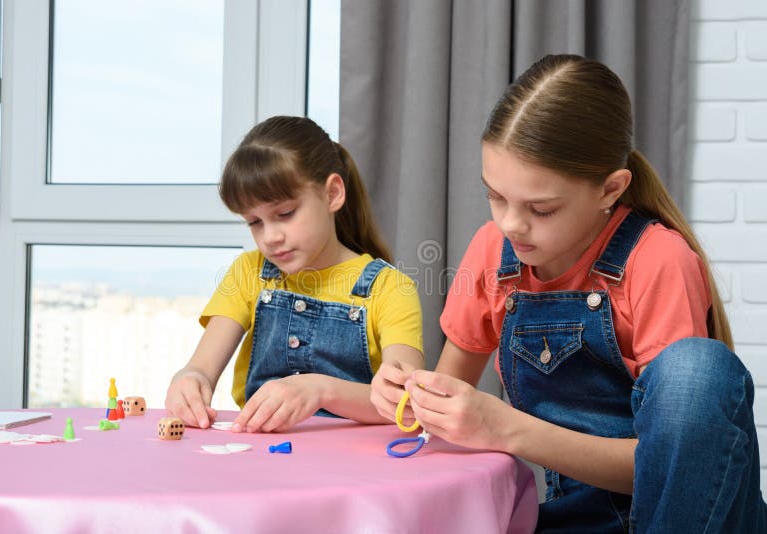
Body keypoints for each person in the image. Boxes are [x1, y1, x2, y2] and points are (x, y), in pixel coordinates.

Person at [370, 54, 766, 532]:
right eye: (495, 196)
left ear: (610, 189)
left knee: (696, 368)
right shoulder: (493, 250)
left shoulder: (659, 259)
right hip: (577, 518)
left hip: (693, 518)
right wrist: (411, 397)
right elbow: (443, 398)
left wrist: (505, 429)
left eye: (541, 209)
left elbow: (675, 471)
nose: (511, 224)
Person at [167, 115, 424, 433]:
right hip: (259, 454)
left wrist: (321, 390)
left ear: (332, 194)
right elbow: (200, 369)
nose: (270, 237)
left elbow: (406, 402)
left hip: (354, 462)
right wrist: (189, 379)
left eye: (285, 213)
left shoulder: (390, 288)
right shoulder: (249, 272)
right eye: (255, 222)